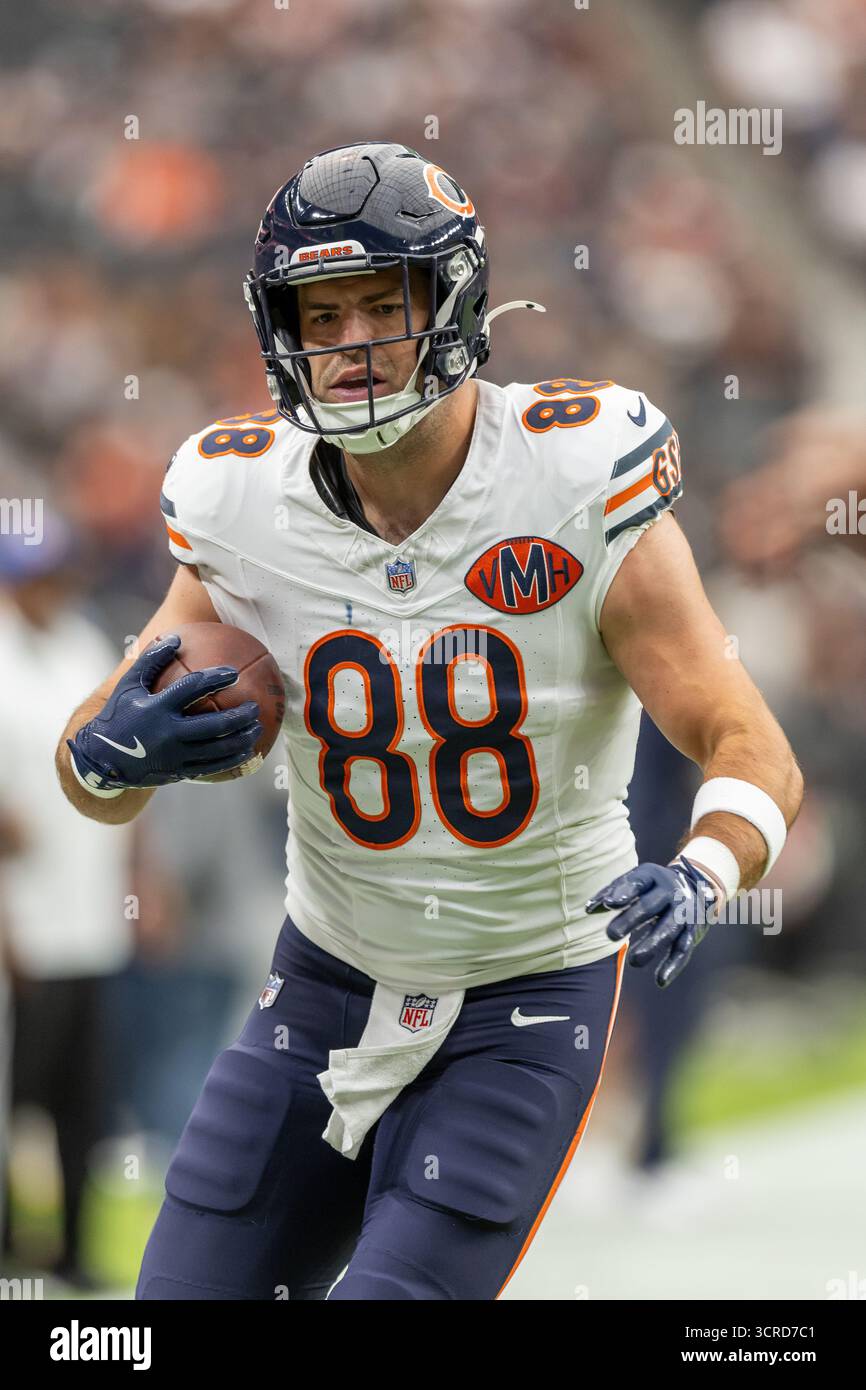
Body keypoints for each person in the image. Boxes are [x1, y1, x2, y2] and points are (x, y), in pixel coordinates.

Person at [55, 142, 803, 1301]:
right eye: (319, 311)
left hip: (525, 996)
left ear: (450, 301)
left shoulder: (571, 473)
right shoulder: (234, 497)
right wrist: (108, 757)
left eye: (379, 305)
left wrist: (701, 870)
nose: (347, 344)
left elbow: (746, 740)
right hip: (322, 985)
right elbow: (86, 761)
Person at [0, 514, 134, 1286]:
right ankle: (13, 1241)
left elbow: (122, 766)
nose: (51, 588)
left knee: (83, 1101)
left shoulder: (83, 645)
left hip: (90, 922)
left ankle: (74, 1253)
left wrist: (141, 879)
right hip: (21, 928)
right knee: (14, 1097)